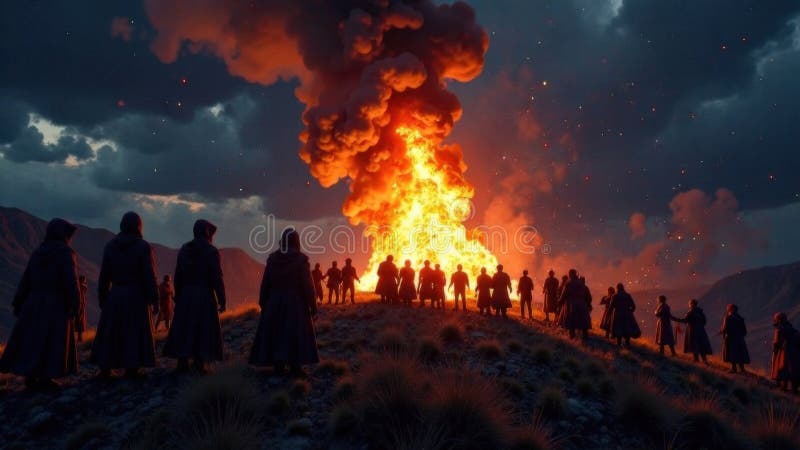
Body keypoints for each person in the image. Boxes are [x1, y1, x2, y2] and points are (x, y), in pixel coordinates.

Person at [0, 219, 80, 391]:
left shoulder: (38, 252)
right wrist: (75, 303)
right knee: (51, 339)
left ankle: (30, 376)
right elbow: (70, 281)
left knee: (33, 338)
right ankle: (45, 377)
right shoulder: (66, 253)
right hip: (55, 303)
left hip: (33, 302)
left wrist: (19, 301)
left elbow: (27, 278)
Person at [90, 212, 158, 380]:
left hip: (115, 295)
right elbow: (149, 275)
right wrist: (154, 298)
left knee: (112, 331)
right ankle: (131, 368)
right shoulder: (143, 247)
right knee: (133, 331)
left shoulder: (110, 246)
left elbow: (104, 276)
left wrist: (103, 297)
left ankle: (106, 369)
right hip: (136, 296)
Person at [250, 229, 319, 377]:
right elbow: (307, 285)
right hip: (295, 303)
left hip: (274, 302)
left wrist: (264, 302)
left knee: (276, 331)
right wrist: (312, 305)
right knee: (294, 332)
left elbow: (266, 283)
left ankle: (278, 366)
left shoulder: (272, 259)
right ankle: (295, 367)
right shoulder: (301, 259)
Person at [163, 220, 226, 374]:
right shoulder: (211, 251)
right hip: (204, 295)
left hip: (186, 294)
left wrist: (178, 294)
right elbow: (217, 277)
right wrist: (222, 299)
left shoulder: (185, 249)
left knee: (185, 327)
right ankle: (200, 363)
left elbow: (178, 275)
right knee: (203, 328)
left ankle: (182, 362)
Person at [672, 299, 712, 364]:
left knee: (694, 345)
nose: (689, 305)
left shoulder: (690, 313)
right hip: (701, 331)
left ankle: (696, 360)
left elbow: (684, 320)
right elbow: (704, 322)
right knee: (701, 345)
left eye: (690, 304)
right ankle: (705, 360)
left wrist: (674, 319)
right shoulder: (701, 312)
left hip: (692, 331)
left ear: (692, 304)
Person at [557, 269, 592, 341]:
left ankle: (572, 337)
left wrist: (559, 302)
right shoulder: (582, 284)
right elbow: (588, 296)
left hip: (571, 304)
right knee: (582, 320)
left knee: (571, 320)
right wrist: (588, 304)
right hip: (582, 304)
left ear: (570, 274)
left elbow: (564, 294)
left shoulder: (568, 283)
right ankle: (585, 336)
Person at [771, 313, 800, 393]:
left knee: (783, 369)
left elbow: (776, 343)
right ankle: (794, 389)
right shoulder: (793, 330)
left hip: (784, 352)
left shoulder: (779, 329)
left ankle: (784, 388)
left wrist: (775, 350)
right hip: (795, 353)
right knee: (793, 370)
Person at [609, 283, 640, 348]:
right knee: (627, 329)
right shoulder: (627, 295)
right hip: (627, 315)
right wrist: (629, 312)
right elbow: (633, 306)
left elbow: (611, 306)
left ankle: (619, 344)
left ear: (617, 288)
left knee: (618, 328)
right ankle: (627, 344)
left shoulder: (615, 296)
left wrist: (610, 313)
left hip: (618, 314)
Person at [720, 304, 750, 374]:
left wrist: (722, 331)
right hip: (740, 338)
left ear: (729, 309)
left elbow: (725, 328)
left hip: (731, 338)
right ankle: (742, 369)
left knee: (732, 353)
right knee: (740, 352)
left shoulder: (727, 318)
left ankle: (734, 369)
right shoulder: (740, 318)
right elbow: (744, 331)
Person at [75, 275, 89, 343]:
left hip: (80, 304)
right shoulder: (82, 286)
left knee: (78, 322)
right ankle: (79, 338)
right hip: (80, 305)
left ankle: (79, 338)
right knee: (79, 322)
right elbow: (85, 289)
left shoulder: (79, 286)